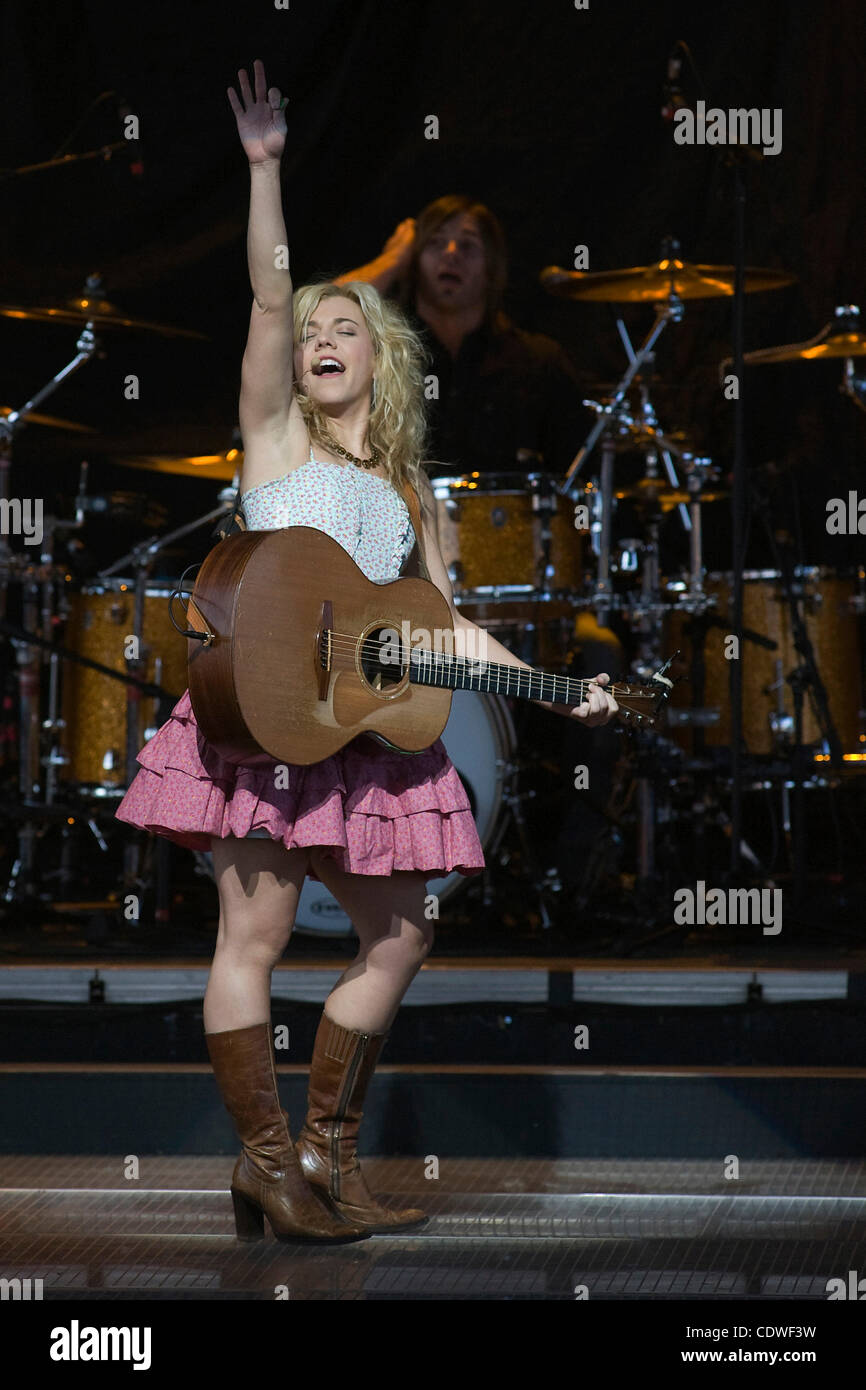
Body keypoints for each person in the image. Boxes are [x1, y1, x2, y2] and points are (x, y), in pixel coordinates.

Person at [115, 60, 618, 1246]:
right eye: (314, 334)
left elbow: (439, 631)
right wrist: (265, 171)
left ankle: (325, 1163)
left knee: (401, 932)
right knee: (256, 938)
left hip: (354, 737)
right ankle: (263, 1164)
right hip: (263, 717)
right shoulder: (274, 438)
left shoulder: (407, 497)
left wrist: (562, 690)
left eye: (351, 330)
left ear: (381, 362)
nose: (323, 337)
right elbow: (273, 291)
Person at [335, 195, 593, 476]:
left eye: (468, 245)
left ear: (491, 268)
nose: (451, 252)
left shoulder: (539, 361)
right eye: (434, 242)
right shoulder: (379, 353)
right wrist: (392, 260)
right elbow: (312, 323)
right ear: (414, 260)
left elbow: (578, 483)